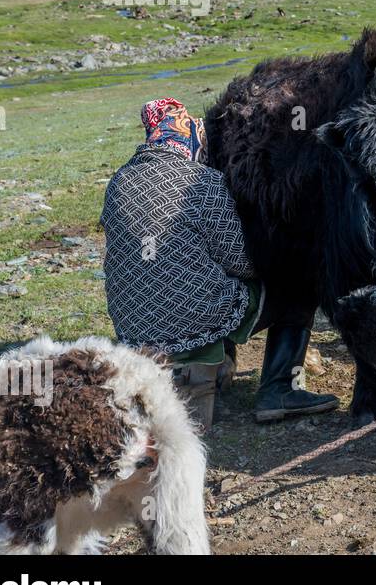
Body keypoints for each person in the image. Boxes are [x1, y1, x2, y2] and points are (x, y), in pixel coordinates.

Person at [100, 97, 338, 429]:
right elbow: (242, 263)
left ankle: (217, 365)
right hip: (190, 322)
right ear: (190, 138)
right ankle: (279, 390)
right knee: (297, 291)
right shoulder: (202, 183)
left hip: (132, 326)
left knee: (193, 279)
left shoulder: (119, 182)